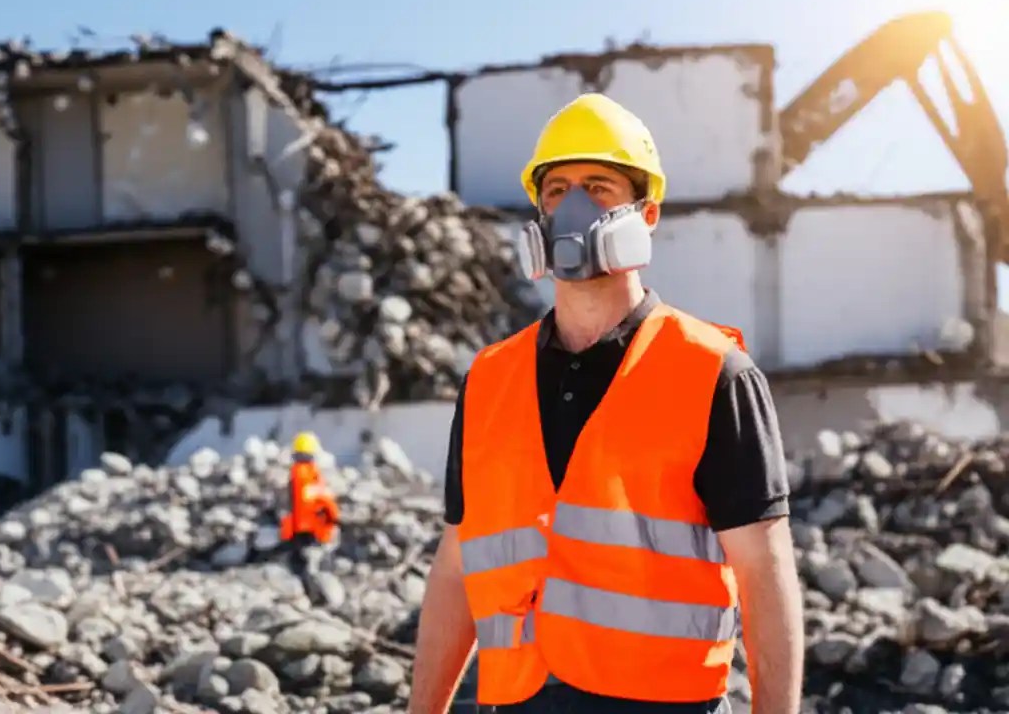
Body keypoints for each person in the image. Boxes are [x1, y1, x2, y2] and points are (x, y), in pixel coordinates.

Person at [407, 93, 804, 714]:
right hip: (516, 701)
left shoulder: (712, 371)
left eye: (599, 186)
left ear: (647, 212)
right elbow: (457, 561)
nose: (576, 207)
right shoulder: (490, 378)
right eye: (558, 188)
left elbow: (764, 571)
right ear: (538, 211)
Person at [280, 431, 340, 576]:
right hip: (312, 526)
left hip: (298, 526)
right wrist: (333, 517)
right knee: (313, 564)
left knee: (299, 560)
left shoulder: (296, 472)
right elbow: (321, 497)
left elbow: (291, 501)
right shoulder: (311, 472)